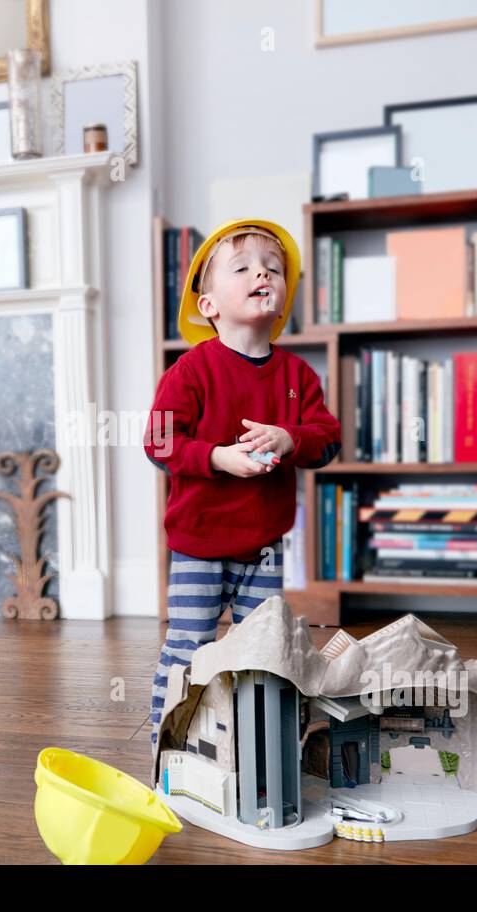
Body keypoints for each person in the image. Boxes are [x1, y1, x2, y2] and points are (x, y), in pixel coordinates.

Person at [144, 219, 341, 752]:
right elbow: (159, 442)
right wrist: (217, 458)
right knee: (188, 646)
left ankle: (255, 748)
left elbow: (327, 442)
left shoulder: (298, 376)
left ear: (283, 299)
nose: (263, 273)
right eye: (245, 267)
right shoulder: (188, 371)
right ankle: (169, 745)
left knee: (261, 649)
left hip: (264, 547)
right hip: (198, 544)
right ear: (208, 305)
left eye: (273, 268)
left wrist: (288, 437)